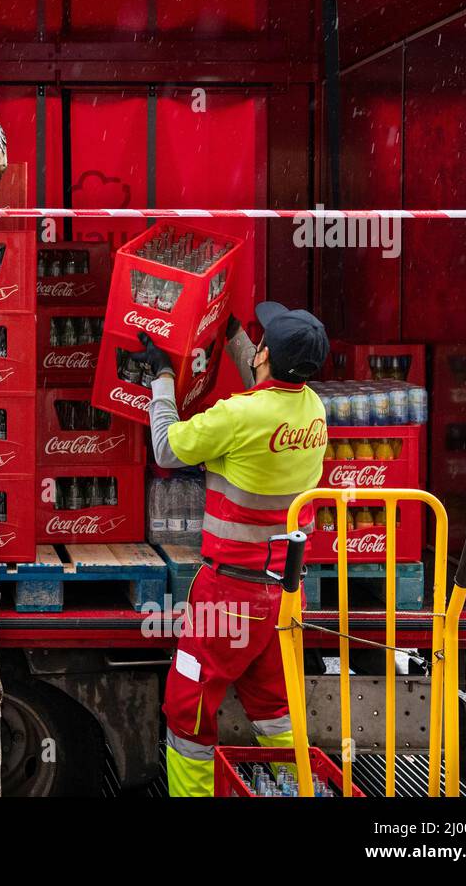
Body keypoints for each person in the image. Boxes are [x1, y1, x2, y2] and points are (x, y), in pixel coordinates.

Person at [132, 301, 330, 797]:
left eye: (259, 342)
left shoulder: (237, 415)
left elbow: (166, 449)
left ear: (266, 355)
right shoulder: (312, 408)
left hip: (230, 597)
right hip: (283, 594)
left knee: (188, 706)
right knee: (273, 705)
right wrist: (233, 332)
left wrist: (160, 377)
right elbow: (267, 390)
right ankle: (294, 787)